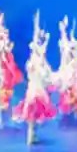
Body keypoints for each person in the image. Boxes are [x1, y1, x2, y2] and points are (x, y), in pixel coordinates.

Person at [13, 17, 59, 145]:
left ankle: (32, 135)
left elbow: (43, 73)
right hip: (36, 91)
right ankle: (31, 136)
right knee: (33, 113)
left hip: (34, 89)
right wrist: (37, 25)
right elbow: (41, 73)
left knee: (35, 114)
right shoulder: (36, 62)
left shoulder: (37, 62)